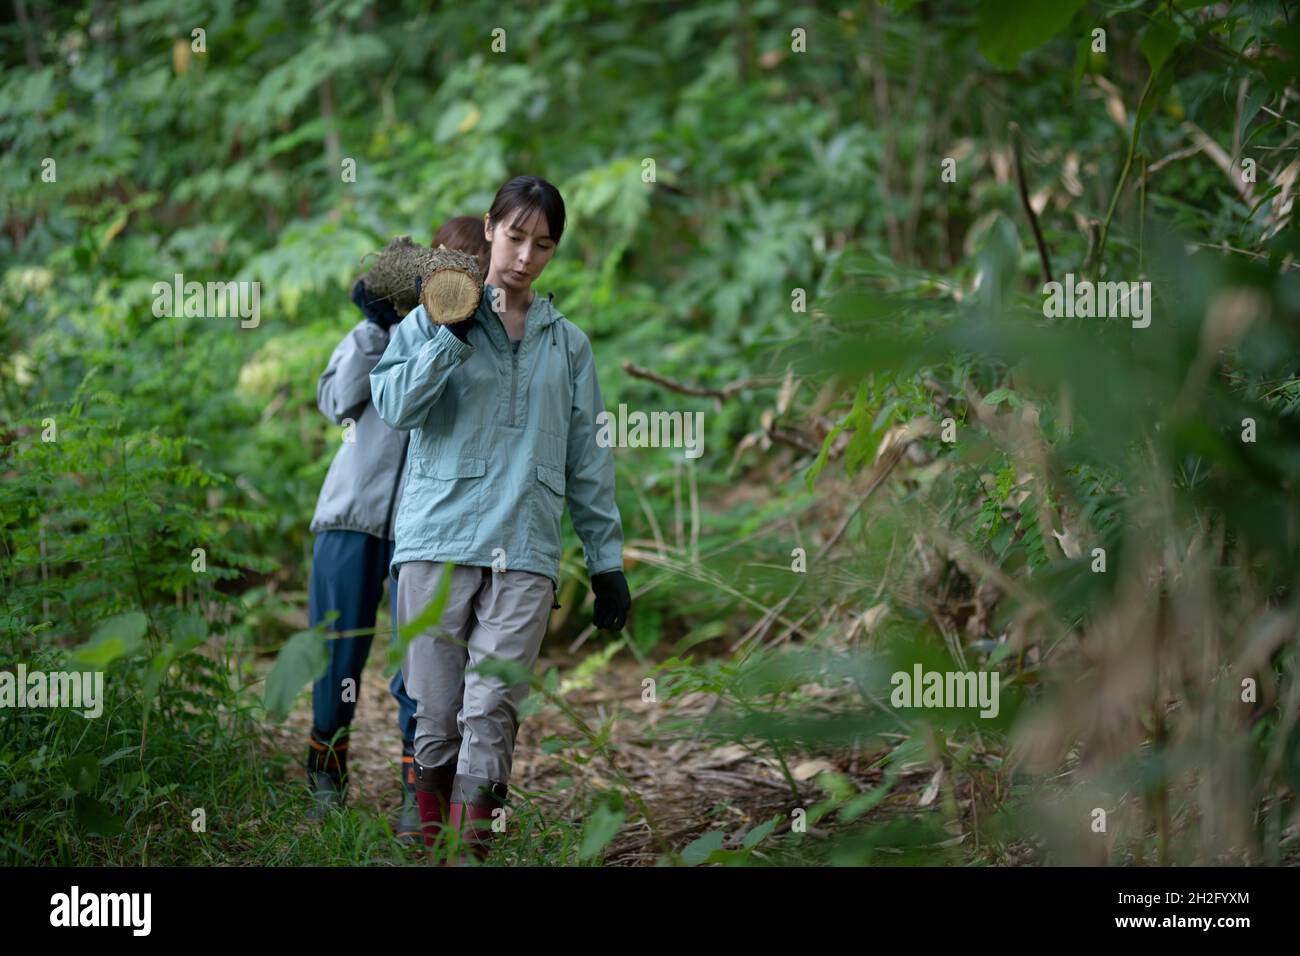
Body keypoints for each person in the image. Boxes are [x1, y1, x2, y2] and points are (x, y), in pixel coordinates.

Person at [370, 175, 632, 863]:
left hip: (525, 549)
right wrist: (448, 335)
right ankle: (433, 848)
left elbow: (587, 460)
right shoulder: (434, 313)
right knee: (435, 714)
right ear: (488, 229)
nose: (524, 256)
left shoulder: (567, 345)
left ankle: (467, 857)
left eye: (542, 245)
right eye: (514, 237)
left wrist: (606, 563)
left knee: (491, 710)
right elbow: (394, 407)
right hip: (435, 541)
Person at [306, 217, 492, 842]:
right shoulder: (384, 332)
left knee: (422, 661)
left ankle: (421, 791)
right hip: (351, 516)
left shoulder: (474, 339)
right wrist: (375, 328)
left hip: (423, 531)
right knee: (339, 652)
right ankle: (325, 776)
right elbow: (334, 402)